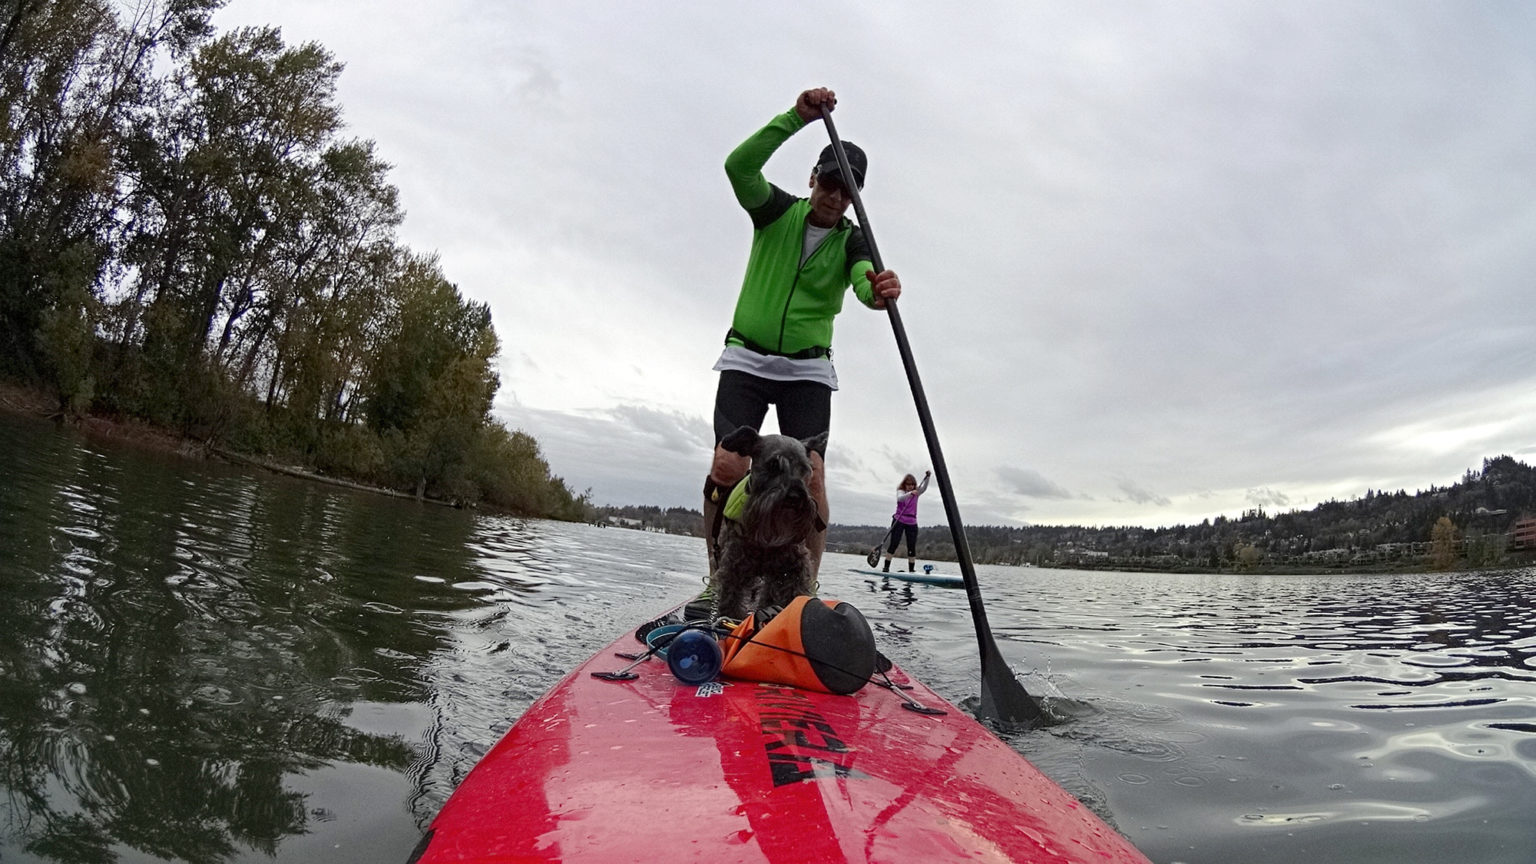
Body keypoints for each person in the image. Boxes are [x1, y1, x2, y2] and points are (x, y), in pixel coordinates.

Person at [700, 86, 903, 597]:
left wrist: (879, 292)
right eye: (828, 184)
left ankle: (803, 591)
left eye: (846, 191)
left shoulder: (855, 239)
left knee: (811, 476)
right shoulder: (774, 212)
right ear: (813, 179)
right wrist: (796, 118)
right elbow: (737, 167)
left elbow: (862, 282)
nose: (834, 197)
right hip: (747, 354)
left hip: (807, 370)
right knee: (727, 464)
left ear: (855, 198)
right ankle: (717, 575)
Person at [883, 471, 930, 572]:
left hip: (912, 521)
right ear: (905, 485)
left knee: (911, 546)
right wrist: (910, 493)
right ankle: (886, 567)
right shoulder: (901, 491)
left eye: (912, 484)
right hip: (899, 519)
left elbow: (924, 488)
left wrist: (928, 477)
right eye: (908, 485)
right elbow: (900, 499)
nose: (910, 486)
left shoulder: (917, 492)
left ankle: (911, 570)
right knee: (894, 543)